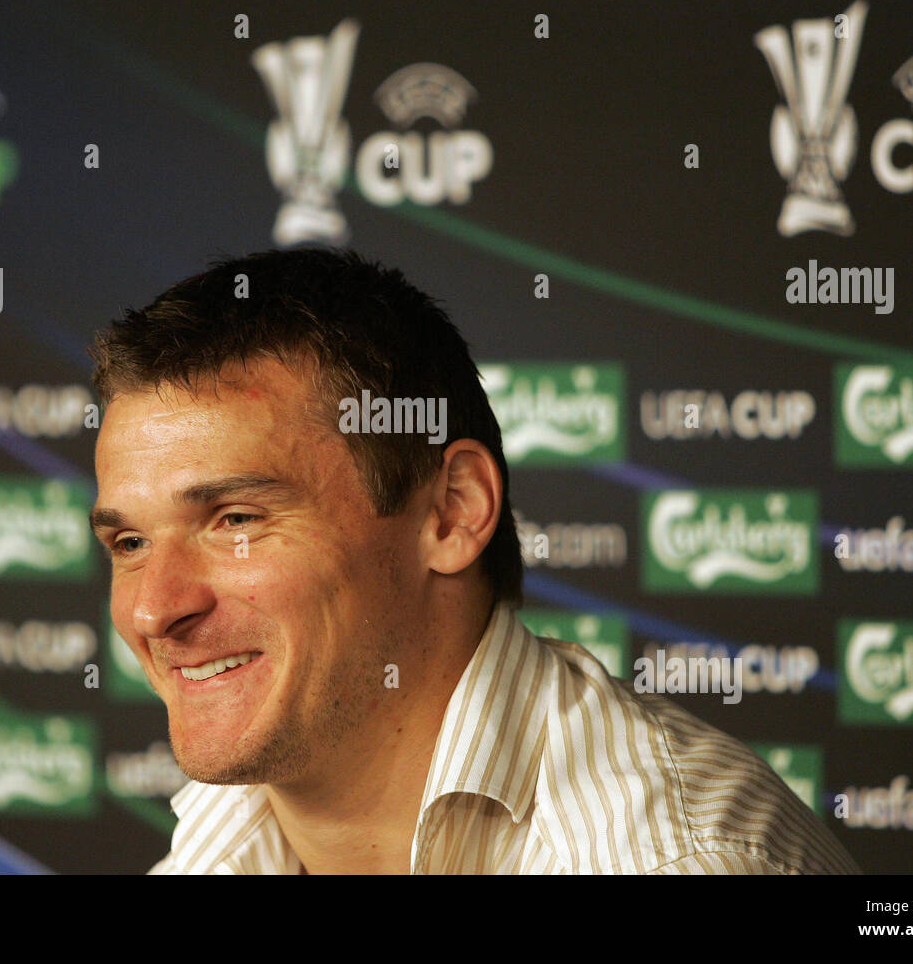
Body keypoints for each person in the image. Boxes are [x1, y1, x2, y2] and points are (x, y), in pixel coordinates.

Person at [88, 247, 860, 875]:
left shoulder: (671, 862)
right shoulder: (220, 836)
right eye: (130, 543)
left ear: (452, 512)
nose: (155, 608)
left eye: (235, 520)